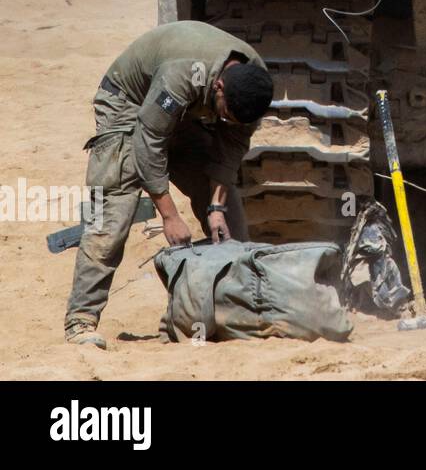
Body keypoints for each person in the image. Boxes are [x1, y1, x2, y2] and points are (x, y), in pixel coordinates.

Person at [64, 21, 274, 349]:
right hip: (128, 104)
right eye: (225, 115)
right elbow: (148, 141)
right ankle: (81, 321)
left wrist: (216, 208)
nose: (228, 123)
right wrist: (169, 215)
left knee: (229, 221)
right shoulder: (184, 73)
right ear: (219, 87)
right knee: (113, 214)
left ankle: (236, 311)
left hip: (183, 113)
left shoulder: (253, 84)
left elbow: (231, 149)